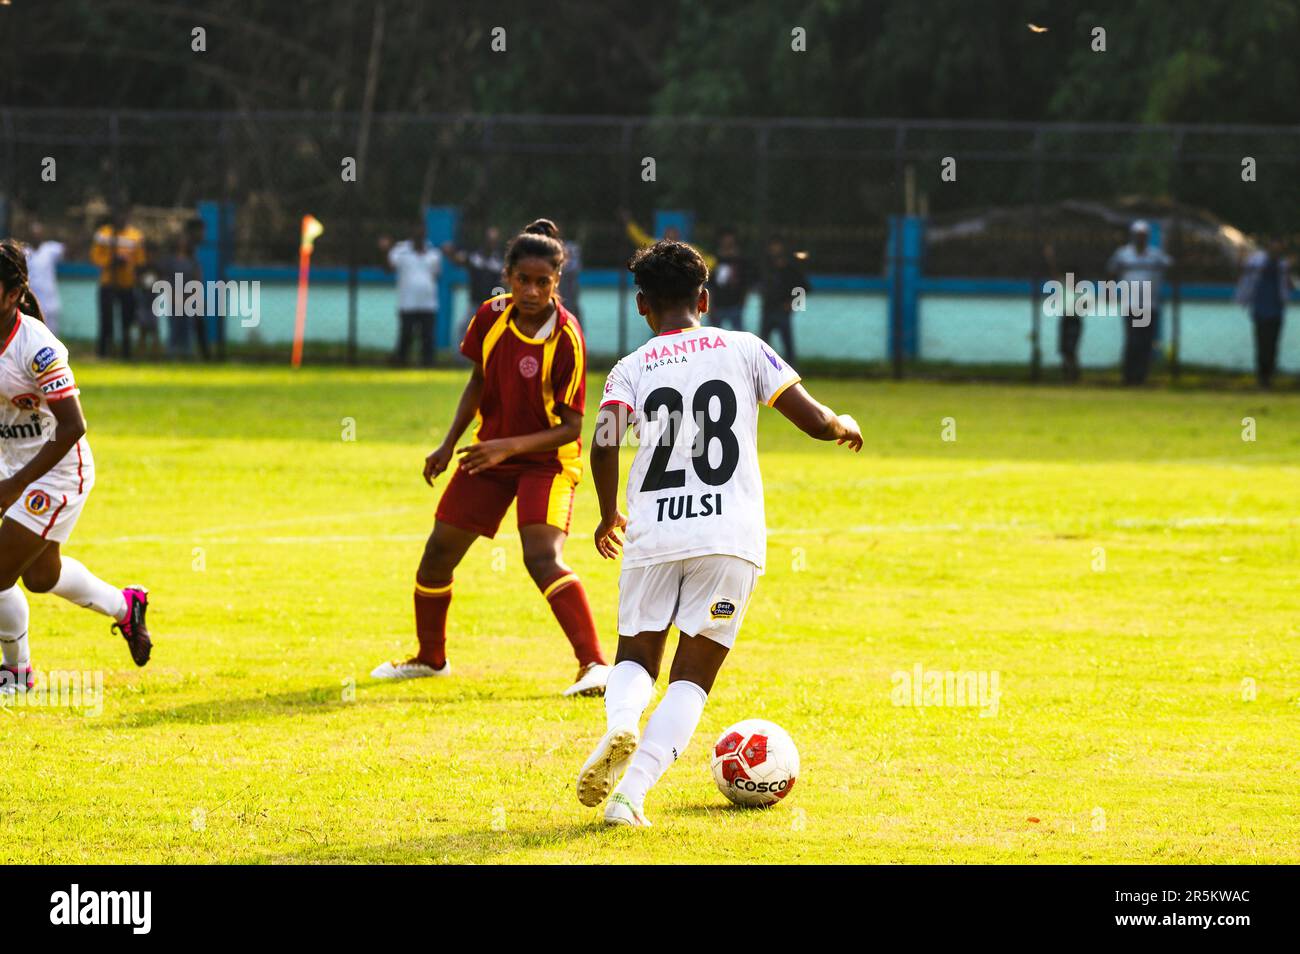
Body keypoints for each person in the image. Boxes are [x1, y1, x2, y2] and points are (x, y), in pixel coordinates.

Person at [576, 240, 862, 826]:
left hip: (653, 531)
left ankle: (622, 722)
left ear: (641, 306)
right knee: (692, 677)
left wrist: (608, 513)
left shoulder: (630, 368)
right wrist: (842, 423)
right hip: (728, 536)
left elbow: (603, 439)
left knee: (636, 654)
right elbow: (811, 421)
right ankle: (629, 797)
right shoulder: (746, 348)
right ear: (704, 298)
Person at [371, 219, 611, 697]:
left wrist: (507, 446)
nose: (532, 290)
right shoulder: (490, 316)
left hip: (547, 460)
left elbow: (571, 426)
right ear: (507, 275)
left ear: (556, 282)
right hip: (489, 453)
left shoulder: (566, 337)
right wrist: (447, 443)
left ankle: (594, 666)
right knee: (438, 553)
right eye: (524, 279)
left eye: (543, 282)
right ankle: (429, 658)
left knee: (542, 557)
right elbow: (478, 381)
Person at [0, 240, 152, 696]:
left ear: (11, 295)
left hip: (58, 470)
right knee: (41, 577)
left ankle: (16, 675)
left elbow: (73, 426)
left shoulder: (38, 348)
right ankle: (126, 607)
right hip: (11, 465)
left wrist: (13, 487)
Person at [1107, 220, 1172, 386]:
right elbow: (1111, 271)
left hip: (1150, 305)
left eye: (1143, 236)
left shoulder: (1155, 255)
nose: (1140, 239)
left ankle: (1141, 376)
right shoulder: (1123, 254)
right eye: (1138, 235)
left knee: (1146, 342)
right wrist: (1110, 292)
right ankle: (1129, 376)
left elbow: (1170, 266)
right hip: (1131, 305)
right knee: (1133, 341)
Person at [380, 223, 440, 368]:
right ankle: (401, 363)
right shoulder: (400, 251)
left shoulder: (433, 253)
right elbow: (389, 268)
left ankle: (428, 365)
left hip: (428, 303)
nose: (420, 234)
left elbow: (437, 274)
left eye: (422, 231)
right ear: (412, 233)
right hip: (407, 303)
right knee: (406, 335)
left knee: (427, 336)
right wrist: (384, 251)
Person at [90, 207, 147, 360]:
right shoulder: (104, 233)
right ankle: (103, 353)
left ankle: (126, 354)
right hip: (107, 282)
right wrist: (111, 261)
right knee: (106, 320)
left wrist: (127, 262)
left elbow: (141, 261)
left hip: (127, 284)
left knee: (127, 321)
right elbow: (95, 258)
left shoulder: (135, 236)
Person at [1236, 237, 1291, 389]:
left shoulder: (1282, 265)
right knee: (1261, 343)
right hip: (1260, 310)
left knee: (1273, 344)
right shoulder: (1256, 262)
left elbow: (1288, 285)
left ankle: (1269, 376)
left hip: (1277, 310)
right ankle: (1262, 377)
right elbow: (1242, 271)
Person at [442, 226, 504, 352]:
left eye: (494, 241)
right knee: (463, 328)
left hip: (494, 303)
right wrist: (450, 253)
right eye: (489, 240)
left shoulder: (499, 261)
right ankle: (461, 359)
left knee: (496, 331)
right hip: (475, 302)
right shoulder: (475, 258)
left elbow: (503, 284)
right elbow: (458, 260)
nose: (491, 243)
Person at [160, 219, 209, 360]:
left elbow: (197, 279)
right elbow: (165, 280)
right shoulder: (171, 260)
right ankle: (172, 353)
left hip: (189, 300)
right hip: (175, 300)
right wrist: (174, 297)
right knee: (175, 327)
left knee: (189, 327)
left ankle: (190, 354)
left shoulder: (193, 260)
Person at [759, 237, 810, 366]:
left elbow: (804, 287)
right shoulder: (766, 267)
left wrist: (793, 304)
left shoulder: (791, 269)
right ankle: (762, 368)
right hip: (767, 309)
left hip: (782, 311)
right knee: (762, 345)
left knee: (787, 344)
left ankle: (791, 370)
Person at [23, 223, 64, 337]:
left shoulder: (51, 249)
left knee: (52, 334)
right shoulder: (24, 252)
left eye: (38, 234)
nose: (36, 237)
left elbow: (69, 251)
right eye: (33, 234)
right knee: (32, 334)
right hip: (32, 301)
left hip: (50, 300)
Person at [708, 227, 751, 331]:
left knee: (739, 337)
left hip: (735, 304)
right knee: (715, 337)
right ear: (720, 241)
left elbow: (746, 281)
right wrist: (710, 304)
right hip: (717, 305)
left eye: (730, 240)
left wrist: (743, 301)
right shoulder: (714, 259)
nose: (728, 242)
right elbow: (709, 282)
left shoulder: (740, 260)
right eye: (725, 239)